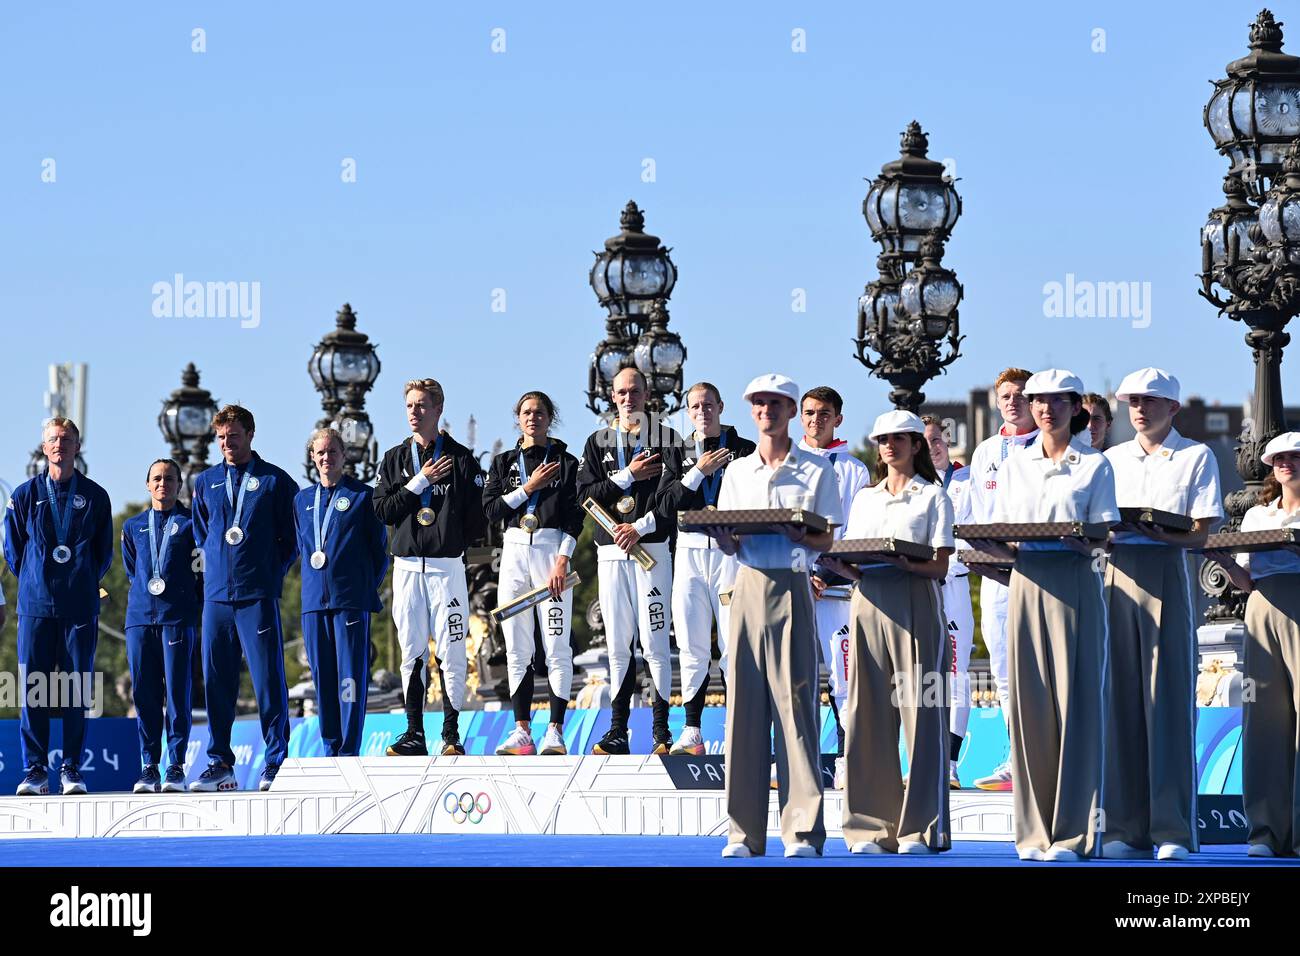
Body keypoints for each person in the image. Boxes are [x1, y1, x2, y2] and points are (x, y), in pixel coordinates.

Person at [969, 369, 1119, 861]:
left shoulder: (1095, 465)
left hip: (1076, 581)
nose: (1045, 409)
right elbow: (1007, 532)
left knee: (1076, 707)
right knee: (1030, 708)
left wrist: (1082, 542)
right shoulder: (1013, 466)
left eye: (1056, 401)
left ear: (1076, 407)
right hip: (1026, 581)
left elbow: (1103, 536)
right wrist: (987, 545)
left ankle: (1076, 834)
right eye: (1038, 401)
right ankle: (1033, 832)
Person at [712, 373, 841, 859]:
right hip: (746, 585)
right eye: (759, 403)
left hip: (792, 584)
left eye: (777, 403)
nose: (767, 410)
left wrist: (799, 538)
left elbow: (827, 539)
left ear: (791, 410)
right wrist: (724, 539)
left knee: (796, 710)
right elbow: (726, 534)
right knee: (743, 711)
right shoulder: (737, 471)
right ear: (751, 411)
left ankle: (803, 833)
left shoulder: (816, 469)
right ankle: (743, 834)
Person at [1101, 368, 1223, 861]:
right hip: (1113, 574)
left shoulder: (1196, 455)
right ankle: (1124, 829)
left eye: (1151, 401)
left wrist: (1159, 534)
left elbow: (1201, 533)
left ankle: (1172, 829)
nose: (1140, 408)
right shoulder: (1108, 458)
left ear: (1172, 408)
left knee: (1168, 703)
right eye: (1133, 400)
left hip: (1167, 570)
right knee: (1119, 704)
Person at [820, 410, 954, 854]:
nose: (889, 446)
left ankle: (921, 829)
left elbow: (939, 565)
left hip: (916, 601)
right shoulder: (865, 499)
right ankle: (869, 828)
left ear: (917, 444)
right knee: (867, 716)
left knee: (923, 716)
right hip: (867, 602)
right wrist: (840, 566)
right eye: (882, 439)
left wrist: (903, 564)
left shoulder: (934, 496)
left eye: (899, 438)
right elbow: (854, 555)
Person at [373, 378, 487, 757]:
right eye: (409, 405)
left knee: (453, 649)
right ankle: (413, 733)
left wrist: (448, 538)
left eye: (422, 405)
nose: (414, 412)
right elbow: (383, 510)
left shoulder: (462, 458)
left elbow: (478, 518)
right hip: (406, 566)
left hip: (445, 567)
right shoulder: (392, 459)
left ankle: (451, 735)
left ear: (438, 409)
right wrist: (418, 482)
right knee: (411, 651)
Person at [190, 405, 299, 792]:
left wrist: (269, 571)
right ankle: (220, 763)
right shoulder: (205, 482)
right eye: (220, 438)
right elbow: (203, 532)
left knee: (267, 679)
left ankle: (275, 761)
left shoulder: (276, 481)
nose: (226, 444)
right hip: (217, 596)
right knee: (216, 681)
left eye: (233, 436)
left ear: (250, 435)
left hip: (257, 594)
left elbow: (292, 538)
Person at [4, 418, 113, 796]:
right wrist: (37, 578)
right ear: (44, 446)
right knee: (34, 688)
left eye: (66, 440)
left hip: (80, 606)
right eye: (53, 439)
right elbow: (13, 549)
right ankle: (34, 770)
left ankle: (71, 768)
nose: (59, 446)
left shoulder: (96, 496)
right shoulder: (23, 494)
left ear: (77, 447)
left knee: (75, 688)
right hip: (35, 605)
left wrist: (78, 580)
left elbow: (104, 555)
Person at [577, 367, 681, 755]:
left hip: (650, 550)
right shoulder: (596, 442)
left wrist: (639, 525)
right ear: (612, 396)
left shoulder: (667, 439)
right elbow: (585, 493)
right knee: (618, 643)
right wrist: (627, 475)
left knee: (655, 642)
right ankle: (618, 729)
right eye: (621, 392)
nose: (627, 398)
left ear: (646, 393)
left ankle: (660, 732)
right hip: (611, 551)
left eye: (634, 391)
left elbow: (674, 496)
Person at [1205, 431, 1300, 858]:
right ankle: (1264, 831)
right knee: (1262, 718)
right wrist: (1224, 560)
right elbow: (1244, 580)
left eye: (1295, 457)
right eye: (1279, 458)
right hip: (1260, 607)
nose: (1286, 464)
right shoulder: (1257, 516)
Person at [654, 382, 755, 756]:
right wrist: (696, 471)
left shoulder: (745, 450)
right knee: (691, 646)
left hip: (731, 553)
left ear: (721, 406)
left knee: (733, 646)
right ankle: (692, 730)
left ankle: (738, 729)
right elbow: (665, 505)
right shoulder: (678, 452)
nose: (702, 411)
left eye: (708, 404)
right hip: (690, 553)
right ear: (687, 411)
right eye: (695, 406)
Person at [483, 392, 583, 756]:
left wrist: (562, 559)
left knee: (557, 646)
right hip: (513, 550)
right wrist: (527, 488)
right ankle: (522, 730)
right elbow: (491, 510)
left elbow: (576, 515)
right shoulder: (503, 463)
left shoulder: (567, 463)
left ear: (549, 418)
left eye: (539, 413)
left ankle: (555, 730)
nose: (532, 418)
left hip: (550, 550)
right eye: (526, 412)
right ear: (517, 418)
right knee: (517, 648)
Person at [294, 429, 389, 757]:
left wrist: (361, 586)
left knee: (351, 676)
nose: (326, 458)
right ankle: (330, 745)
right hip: (313, 603)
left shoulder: (364, 496)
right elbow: (301, 548)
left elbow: (379, 552)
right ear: (312, 458)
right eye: (320, 453)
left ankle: (349, 748)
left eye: (332, 451)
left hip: (350, 600)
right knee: (322, 678)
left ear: (343, 455)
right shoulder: (302, 500)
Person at [966, 367, 1039, 792]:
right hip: (996, 574)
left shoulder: (1047, 448)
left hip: (1038, 568)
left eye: (1021, 394)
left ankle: (1045, 754)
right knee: (1004, 670)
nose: (1013, 401)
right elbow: (977, 515)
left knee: (1042, 666)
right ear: (997, 401)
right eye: (1006, 395)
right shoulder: (986, 451)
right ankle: (1016, 758)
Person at [800, 386, 872, 786]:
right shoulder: (786, 463)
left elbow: (855, 531)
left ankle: (848, 764)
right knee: (796, 676)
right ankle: (798, 763)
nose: (816, 420)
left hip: (836, 590)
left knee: (844, 680)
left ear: (838, 418)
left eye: (824, 413)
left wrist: (824, 574)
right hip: (794, 586)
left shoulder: (854, 469)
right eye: (809, 413)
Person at [121, 459, 202, 792]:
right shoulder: (133, 526)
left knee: (178, 694)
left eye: (169, 478)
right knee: (144, 694)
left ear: (179, 484)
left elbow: (201, 570)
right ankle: (149, 766)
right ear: (147, 484)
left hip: (177, 618)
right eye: (156, 478)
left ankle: (176, 765)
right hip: (140, 618)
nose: (163, 483)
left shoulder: (191, 524)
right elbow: (132, 570)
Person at [922, 414, 975, 789]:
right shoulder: (909, 487)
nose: (932, 447)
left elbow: (976, 533)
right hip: (920, 589)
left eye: (936, 439)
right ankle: (922, 758)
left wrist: (947, 563)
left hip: (954, 588)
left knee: (955, 675)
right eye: (923, 443)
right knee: (918, 676)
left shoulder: (967, 481)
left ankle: (950, 764)